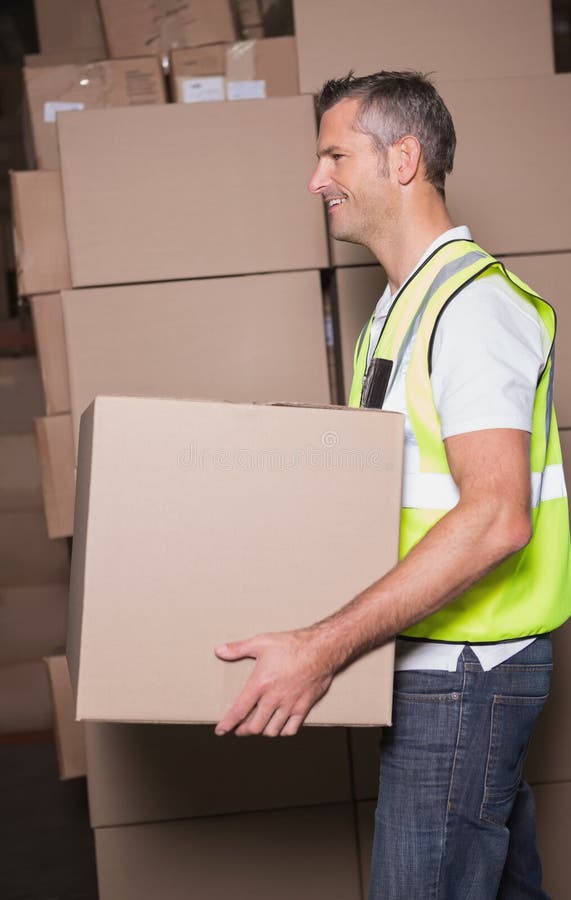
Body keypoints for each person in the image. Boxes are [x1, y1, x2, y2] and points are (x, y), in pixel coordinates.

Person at [214, 71, 571, 898]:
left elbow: (495, 520)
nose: (315, 180)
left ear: (402, 158)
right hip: (434, 662)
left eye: (334, 155)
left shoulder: (469, 309)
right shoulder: (398, 308)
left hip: (464, 669)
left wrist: (323, 646)